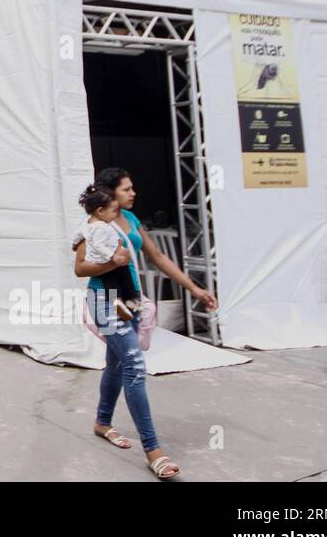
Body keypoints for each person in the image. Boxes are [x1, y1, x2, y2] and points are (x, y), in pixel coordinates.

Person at [72, 167, 219, 480]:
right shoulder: (94, 224)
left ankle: (102, 423)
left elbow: (159, 259)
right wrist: (115, 262)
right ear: (110, 195)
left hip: (133, 301)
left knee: (115, 365)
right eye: (127, 189)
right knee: (135, 366)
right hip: (105, 303)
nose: (133, 193)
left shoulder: (133, 222)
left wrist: (194, 289)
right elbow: (81, 269)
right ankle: (154, 451)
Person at [73, 184, 138, 321]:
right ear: (101, 211)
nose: (115, 215)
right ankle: (128, 299)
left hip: (104, 258)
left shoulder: (87, 224)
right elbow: (99, 246)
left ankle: (121, 301)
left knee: (112, 282)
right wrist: (114, 257)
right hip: (105, 259)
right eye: (113, 211)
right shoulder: (100, 227)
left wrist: (74, 244)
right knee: (120, 275)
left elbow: (78, 235)